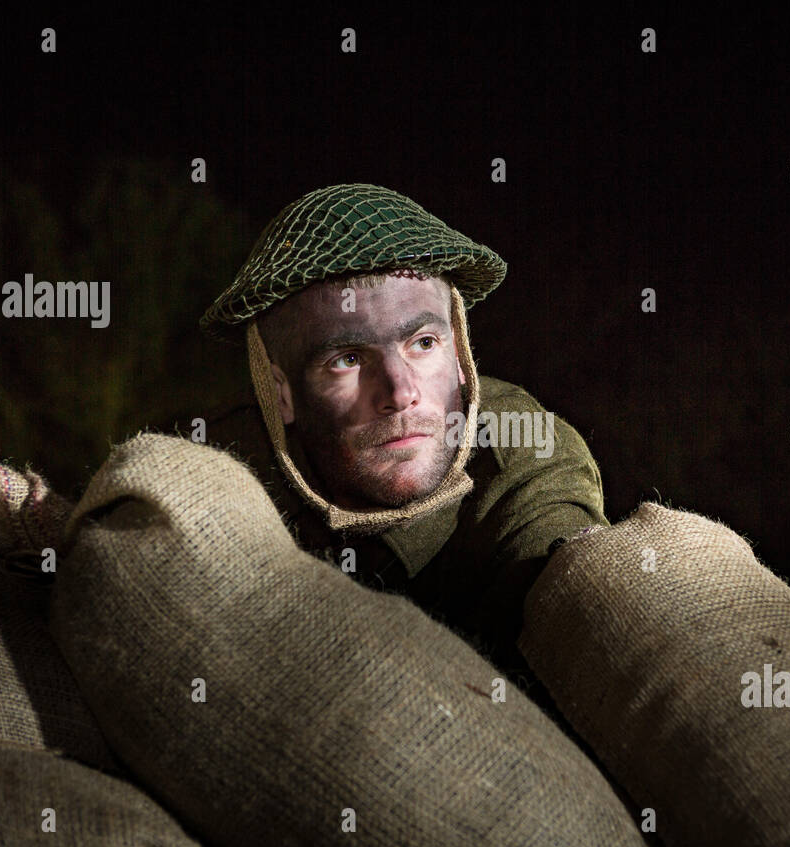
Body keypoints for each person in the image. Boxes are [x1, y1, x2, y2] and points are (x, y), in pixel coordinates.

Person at [196, 184, 608, 707]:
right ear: (282, 394)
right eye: (347, 359)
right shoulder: (226, 472)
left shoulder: (520, 446)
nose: (400, 393)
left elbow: (571, 578)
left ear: (460, 353)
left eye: (423, 343)